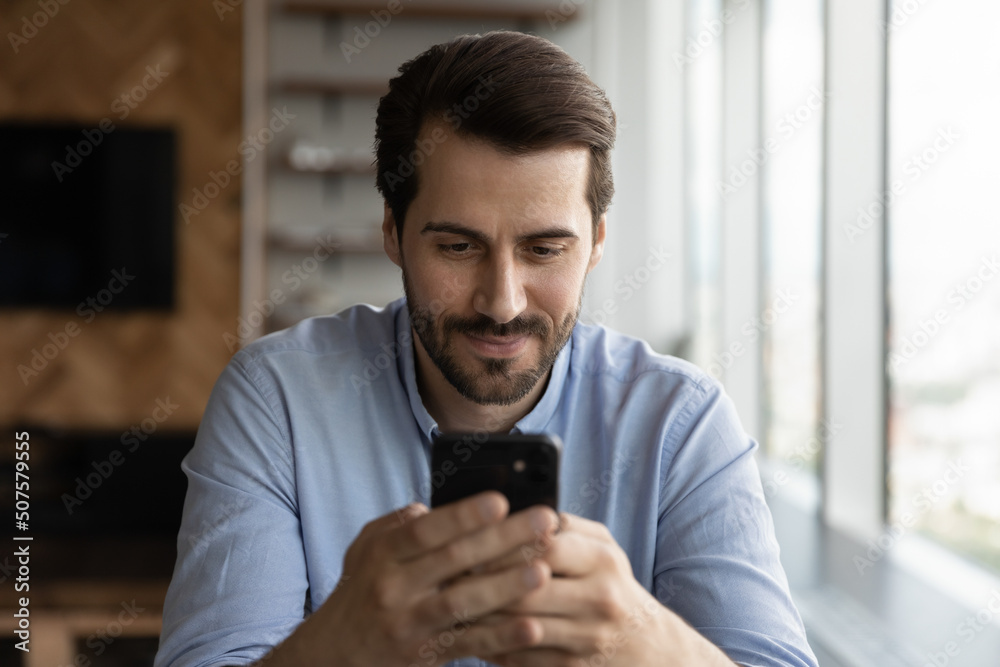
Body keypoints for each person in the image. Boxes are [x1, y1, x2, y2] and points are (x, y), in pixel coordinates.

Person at [155, 30, 818, 667]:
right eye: (457, 246)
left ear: (597, 241)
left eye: (545, 249)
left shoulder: (680, 421)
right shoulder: (277, 398)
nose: (502, 302)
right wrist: (340, 644)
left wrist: (640, 637)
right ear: (393, 230)